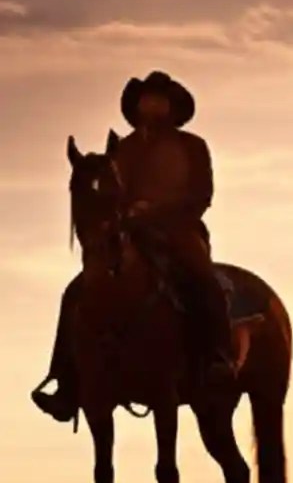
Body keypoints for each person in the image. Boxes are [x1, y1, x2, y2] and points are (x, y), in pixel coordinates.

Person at [31, 71, 235, 422]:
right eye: (147, 98)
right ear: (138, 106)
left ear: (171, 106)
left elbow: (202, 194)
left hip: (180, 229)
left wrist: (156, 210)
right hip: (130, 231)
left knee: (203, 278)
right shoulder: (122, 149)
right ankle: (66, 382)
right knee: (76, 292)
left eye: (159, 99)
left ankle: (218, 357)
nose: (152, 104)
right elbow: (111, 193)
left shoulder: (192, 146)